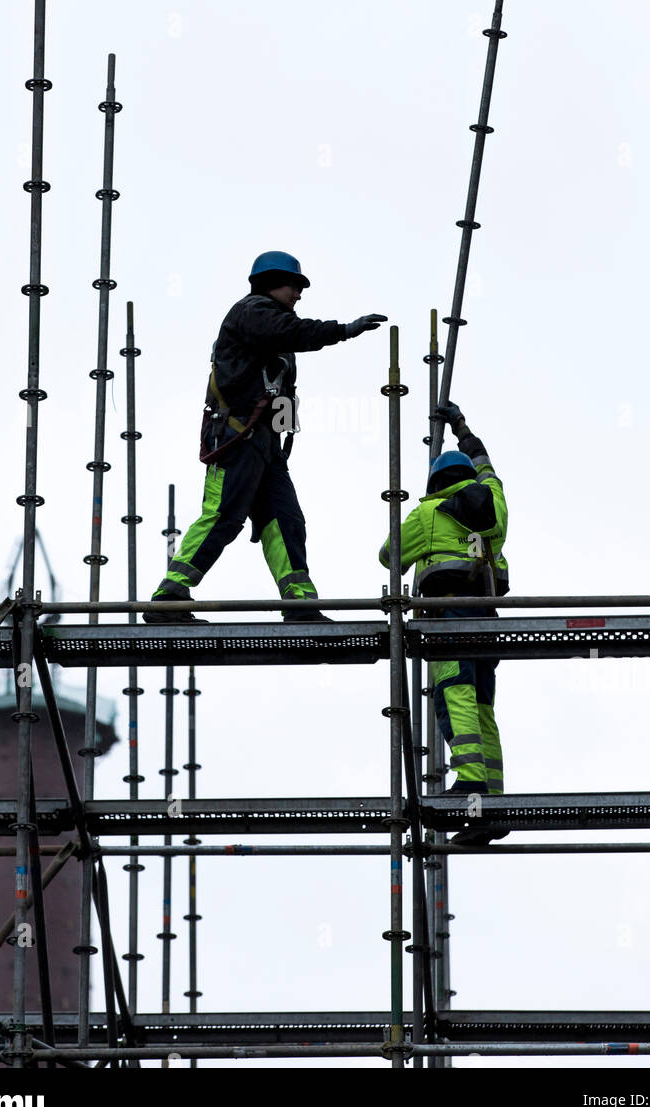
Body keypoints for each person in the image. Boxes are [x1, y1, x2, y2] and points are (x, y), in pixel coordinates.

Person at [144, 251, 386, 624]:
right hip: (236, 437)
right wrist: (343, 330)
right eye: (295, 286)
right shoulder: (252, 313)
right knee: (222, 515)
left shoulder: (275, 335)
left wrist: (281, 441)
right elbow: (294, 332)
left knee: (285, 519)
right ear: (273, 281)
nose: (299, 294)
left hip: (265, 447)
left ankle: (300, 604)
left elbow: (281, 392)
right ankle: (169, 595)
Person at [379, 401, 509, 844]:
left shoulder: (426, 514)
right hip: (487, 623)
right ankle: (491, 805)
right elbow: (489, 469)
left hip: (449, 618)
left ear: (435, 482)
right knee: (483, 708)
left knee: (454, 696)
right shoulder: (495, 508)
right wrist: (462, 427)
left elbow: (387, 556)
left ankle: (471, 783)